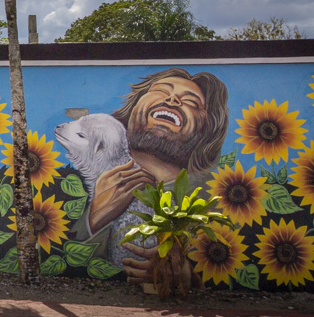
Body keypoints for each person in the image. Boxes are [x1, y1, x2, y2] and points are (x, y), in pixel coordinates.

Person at [84, 68, 229, 283]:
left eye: (191, 102)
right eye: (161, 90)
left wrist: (182, 271)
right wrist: (94, 216)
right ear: (133, 107)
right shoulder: (81, 173)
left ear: (206, 128)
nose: (172, 100)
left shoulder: (216, 197)